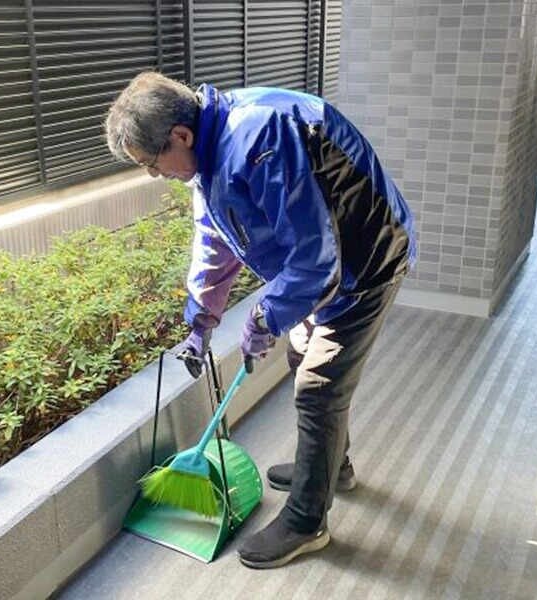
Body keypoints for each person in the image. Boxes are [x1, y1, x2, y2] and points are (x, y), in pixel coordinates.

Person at [105, 71, 416, 569]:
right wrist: (201, 321)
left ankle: (307, 522)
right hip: (326, 264)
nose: (153, 174)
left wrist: (266, 318)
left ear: (180, 136)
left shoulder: (260, 140)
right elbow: (216, 238)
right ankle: (332, 466)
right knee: (302, 356)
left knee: (319, 386)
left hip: (365, 262)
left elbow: (316, 261)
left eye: (150, 163)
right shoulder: (210, 152)